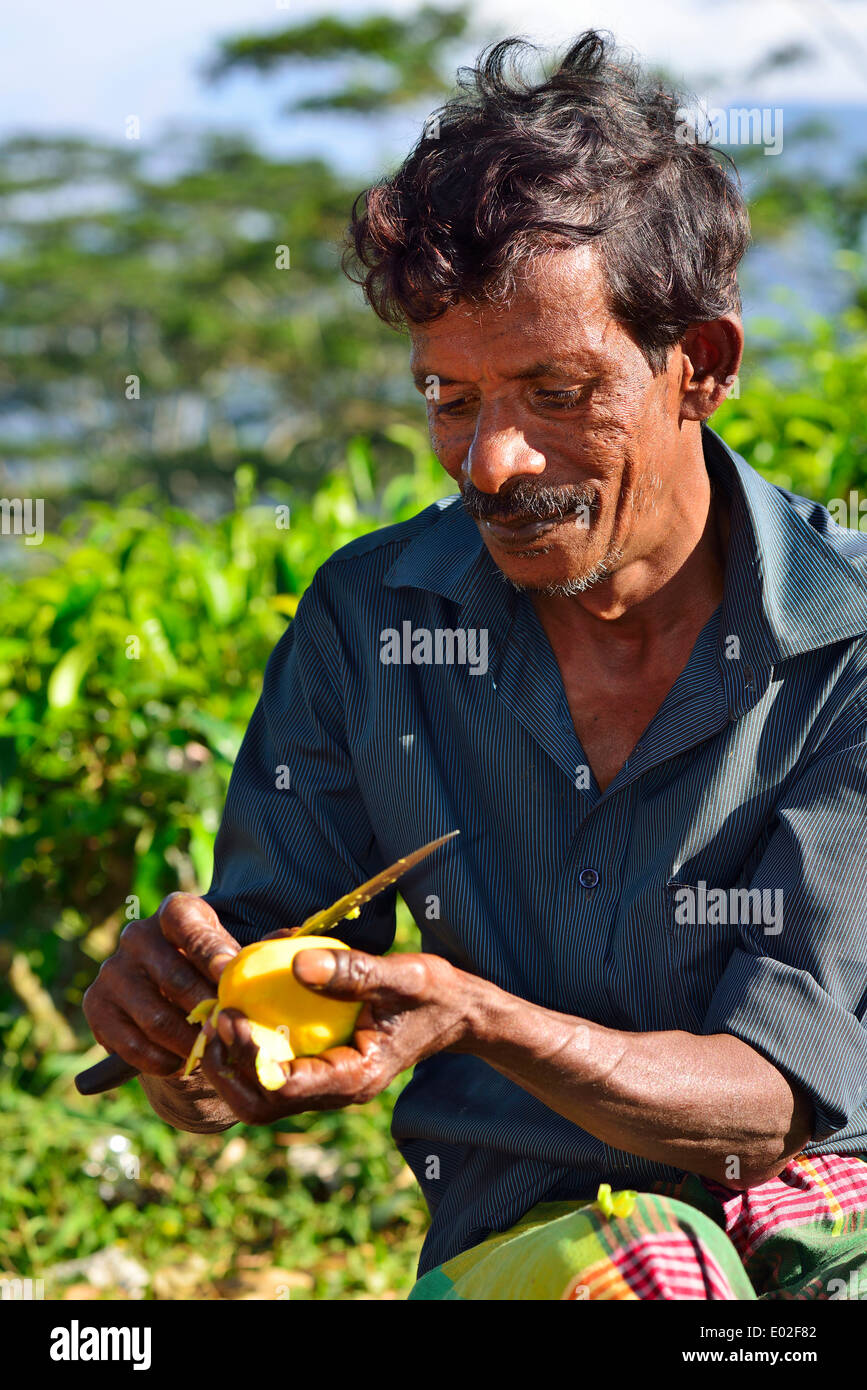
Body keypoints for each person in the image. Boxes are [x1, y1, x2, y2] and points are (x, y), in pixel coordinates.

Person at [83, 31, 867, 1300]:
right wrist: (189, 1030)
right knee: (657, 1281)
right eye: (451, 398)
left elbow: (772, 1099)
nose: (490, 461)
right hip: (541, 1255)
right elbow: (262, 1018)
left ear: (702, 367)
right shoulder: (368, 622)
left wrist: (481, 1015)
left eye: (556, 391)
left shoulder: (850, 644)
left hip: (826, 1214)